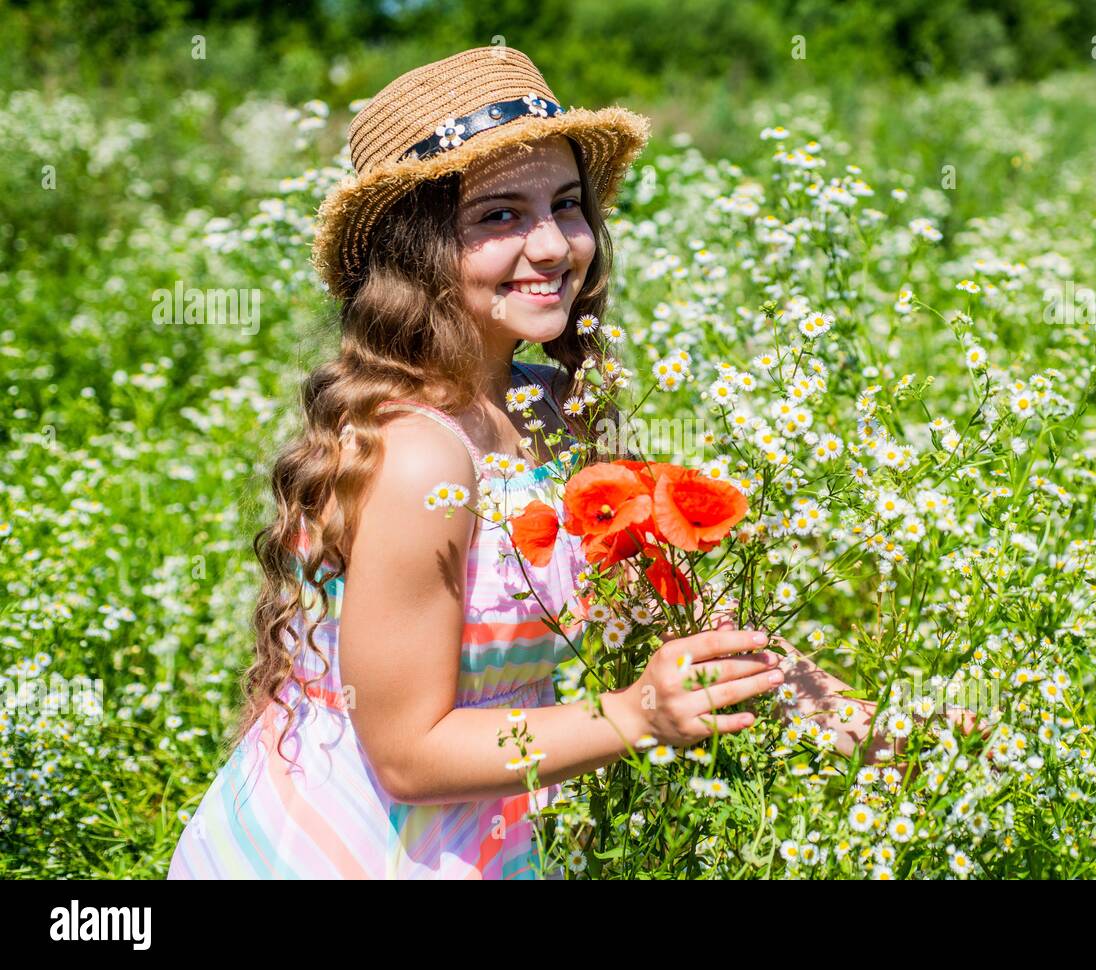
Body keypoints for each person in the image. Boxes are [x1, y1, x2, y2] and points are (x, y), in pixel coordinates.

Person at [166, 46, 792, 880]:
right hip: (353, 850)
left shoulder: (552, 407)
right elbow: (409, 757)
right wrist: (636, 714)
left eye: (566, 205)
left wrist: (842, 709)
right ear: (417, 253)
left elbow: (668, 611)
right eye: (498, 217)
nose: (552, 245)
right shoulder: (419, 454)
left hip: (488, 837)